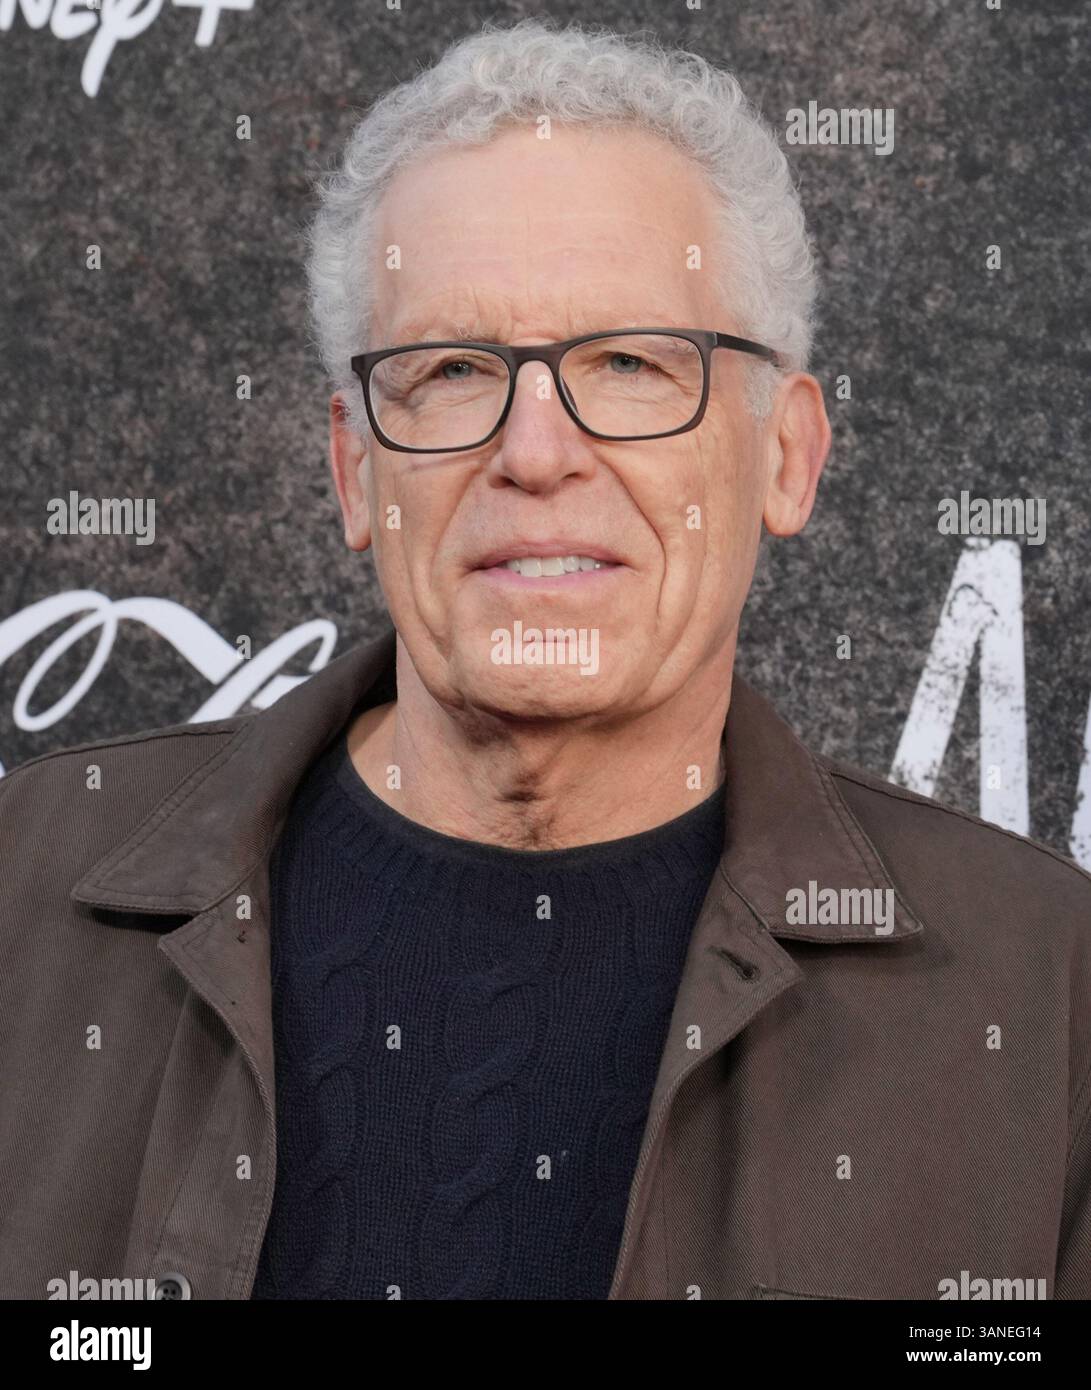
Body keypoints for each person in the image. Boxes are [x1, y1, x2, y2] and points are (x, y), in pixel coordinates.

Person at [1, 18, 1088, 1301]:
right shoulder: (26, 894)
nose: (534, 451)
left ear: (785, 457)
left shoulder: (1045, 995)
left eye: (629, 364)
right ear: (354, 468)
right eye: (452, 369)